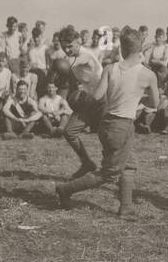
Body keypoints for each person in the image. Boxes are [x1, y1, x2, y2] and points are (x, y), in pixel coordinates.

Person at [56, 26, 159, 217]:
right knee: (109, 173)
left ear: (121, 49)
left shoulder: (111, 68)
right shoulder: (147, 75)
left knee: (129, 164)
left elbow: (96, 97)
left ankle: (126, 207)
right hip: (122, 125)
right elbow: (155, 103)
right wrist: (138, 96)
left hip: (108, 123)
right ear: (141, 50)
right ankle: (65, 189)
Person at [51, 25, 106, 178]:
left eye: (70, 46)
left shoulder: (85, 55)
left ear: (78, 41)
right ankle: (87, 163)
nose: (67, 50)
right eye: (64, 47)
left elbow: (68, 65)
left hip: (104, 99)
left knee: (108, 136)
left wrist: (58, 68)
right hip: (89, 99)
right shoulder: (71, 57)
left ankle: (116, 171)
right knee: (69, 132)